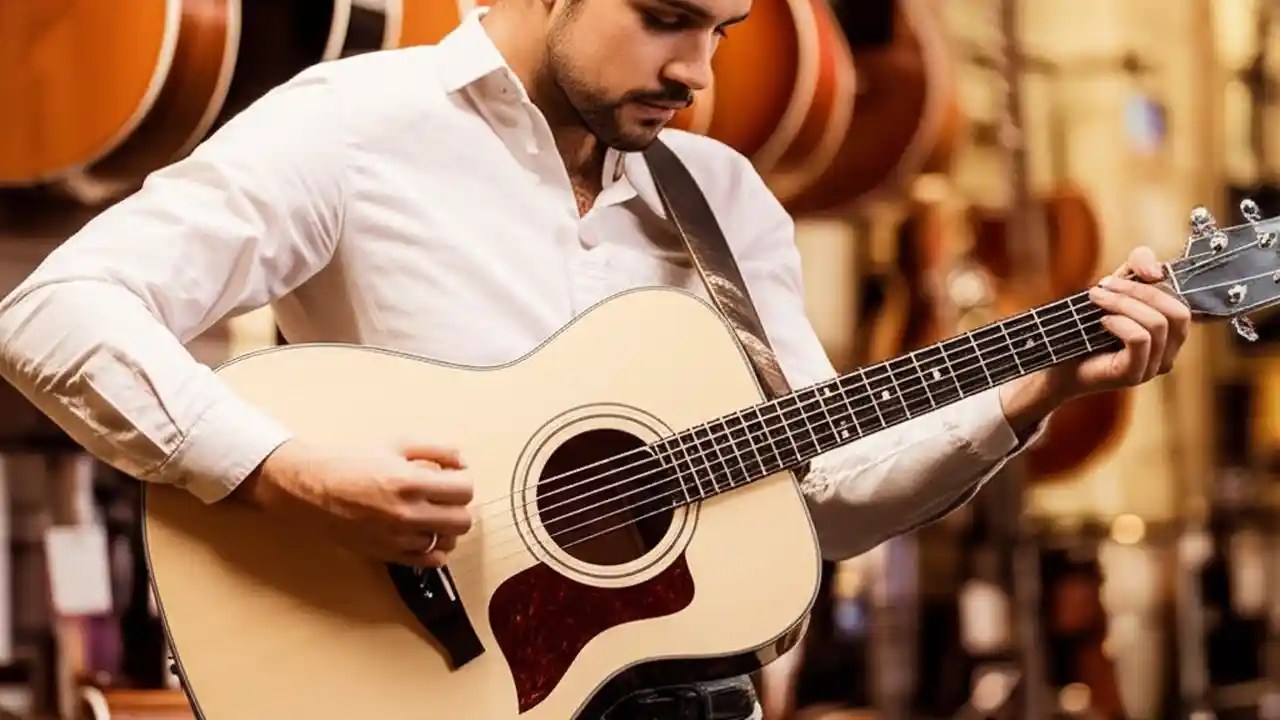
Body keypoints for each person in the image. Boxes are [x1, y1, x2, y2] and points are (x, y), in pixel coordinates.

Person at [0, 0, 1190, 717]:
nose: (698, 75)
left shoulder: (719, 200)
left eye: (719, 30)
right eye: (666, 17)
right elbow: (53, 312)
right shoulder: (352, 129)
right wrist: (277, 469)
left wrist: (1030, 391)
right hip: (413, 683)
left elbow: (814, 504)